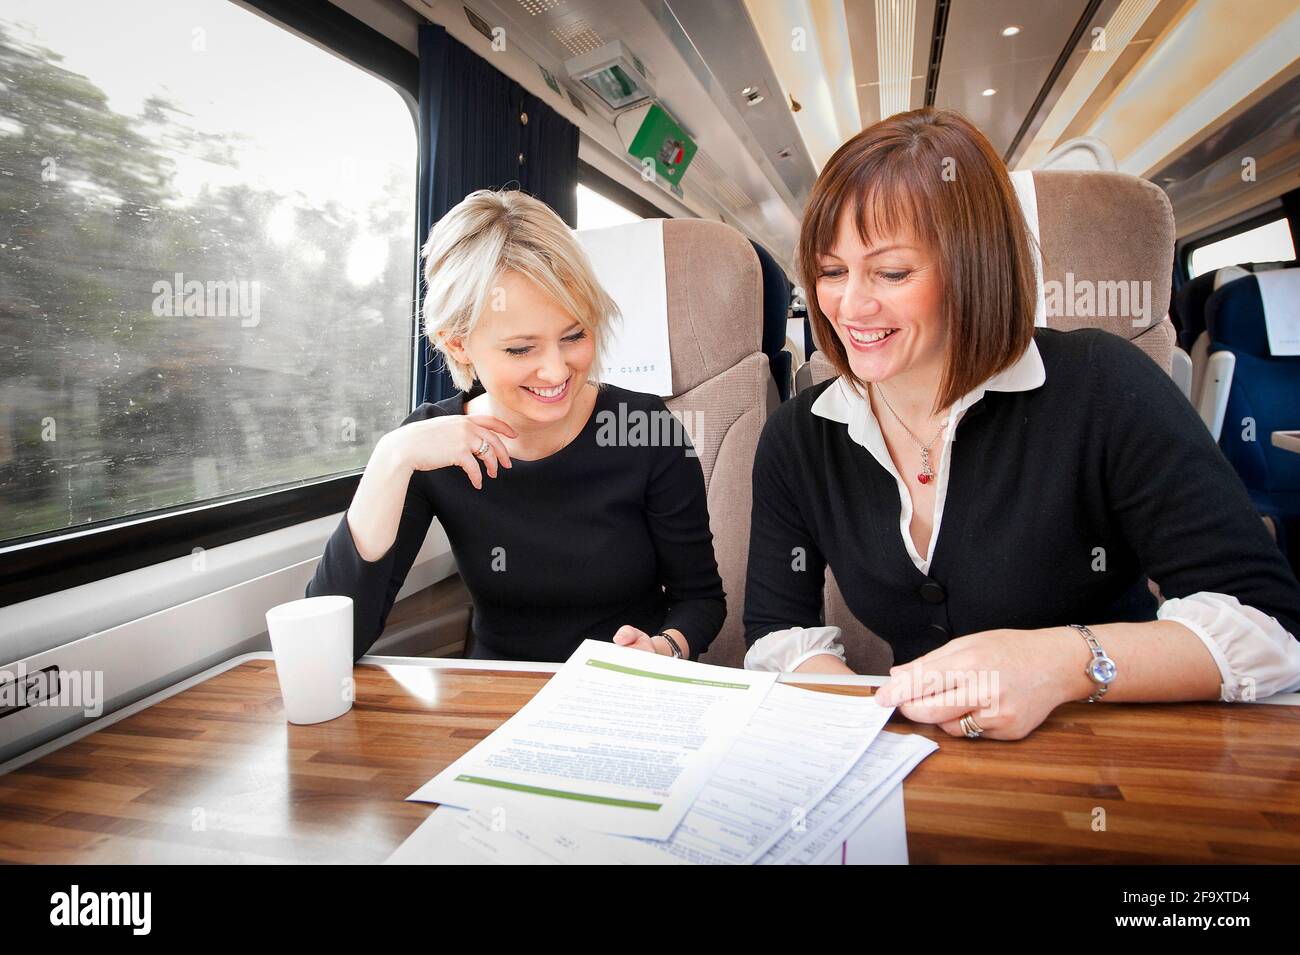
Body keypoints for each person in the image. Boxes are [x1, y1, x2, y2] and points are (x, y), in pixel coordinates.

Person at [743, 107, 1300, 739]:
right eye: (832, 272)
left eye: (892, 272)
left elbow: (1269, 623)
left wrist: (1063, 662)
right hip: (924, 761)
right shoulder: (799, 436)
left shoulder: (1100, 384)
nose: (851, 305)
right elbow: (778, 631)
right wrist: (863, 713)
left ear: (976, 267)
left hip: (1113, 753)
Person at [308, 189, 724, 662]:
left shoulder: (645, 428)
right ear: (459, 345)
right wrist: (391, 457)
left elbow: (701, 600)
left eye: (574, 336)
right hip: (496, 698)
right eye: (521, 349)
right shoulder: (431, 445)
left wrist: (663, 648)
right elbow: (330, 647)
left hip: (624, 693)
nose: (555, 372)